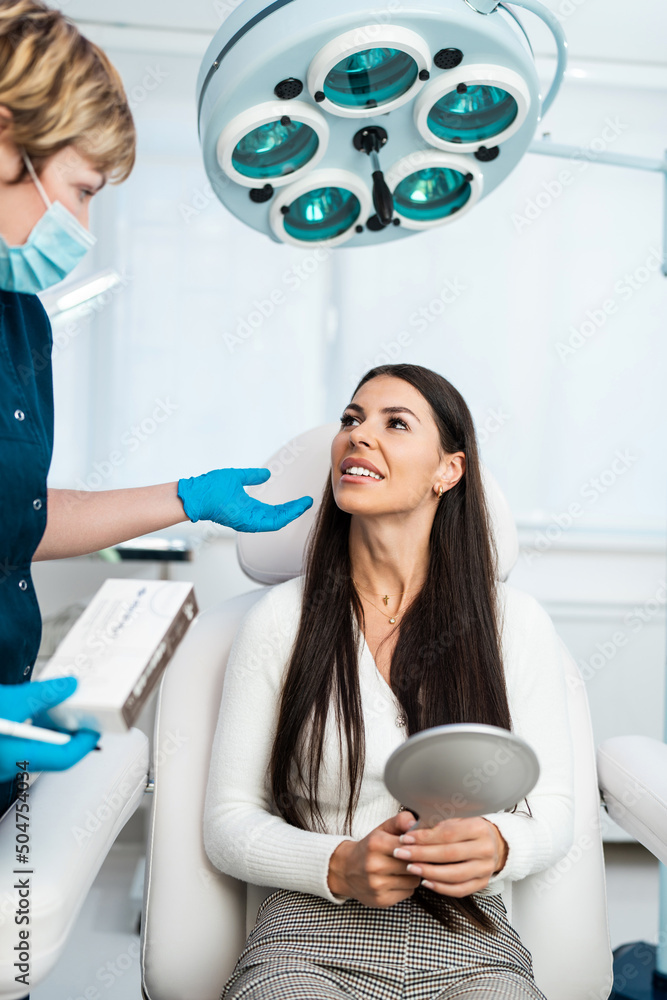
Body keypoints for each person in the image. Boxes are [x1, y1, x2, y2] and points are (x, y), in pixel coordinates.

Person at [0, 0, 312, 815]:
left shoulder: (18, 319)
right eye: (79, 188)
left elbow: (17, 519)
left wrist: (185, 497)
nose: (82, 225)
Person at [204, 363, 575, 1000]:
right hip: (306, 941)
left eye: (394, 423)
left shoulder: (516, 625)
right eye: (351, 419)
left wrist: (499, 845)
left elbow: (556, 812)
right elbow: (228, 822)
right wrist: (340, 865)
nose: (358, 435)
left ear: (447, 471)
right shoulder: (280, 621)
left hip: (471, 942)